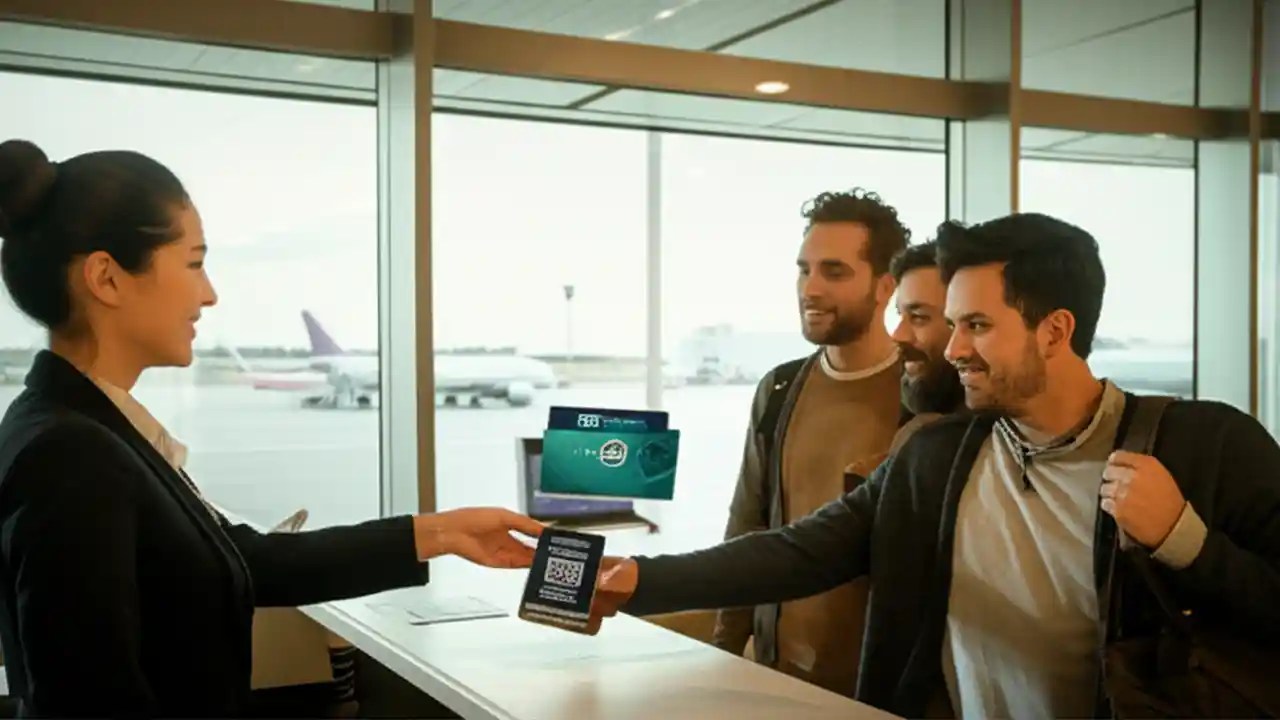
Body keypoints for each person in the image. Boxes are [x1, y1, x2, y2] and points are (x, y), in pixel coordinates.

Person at [590, 213, 1280, 719]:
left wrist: (1185, 543)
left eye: (976, 326)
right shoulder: (937, 456)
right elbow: (803, 552)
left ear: (1056, 330)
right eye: (952, 325)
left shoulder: (1208, 447)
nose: (952, 350)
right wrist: (638, 580)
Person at [0, 139, 543, 717]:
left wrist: (441, 533)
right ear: (106, 279)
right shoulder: (72, 453)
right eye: (193, 262)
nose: (209, 294)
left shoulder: (84, 425)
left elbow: (242, 559)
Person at [711, 188, 908, 696]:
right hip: (777, 677)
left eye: (834, 272)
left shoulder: (923, 395)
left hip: (877, 688)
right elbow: (746, 528)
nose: (810, 288)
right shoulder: (779, 389)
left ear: (885, 287)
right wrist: (725, 651)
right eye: (804, 269)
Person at [842, 239, 965, 481]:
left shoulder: (1001, 450)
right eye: (900, 315)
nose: (899, 335)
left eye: (919, 317)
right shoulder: (913, 431)